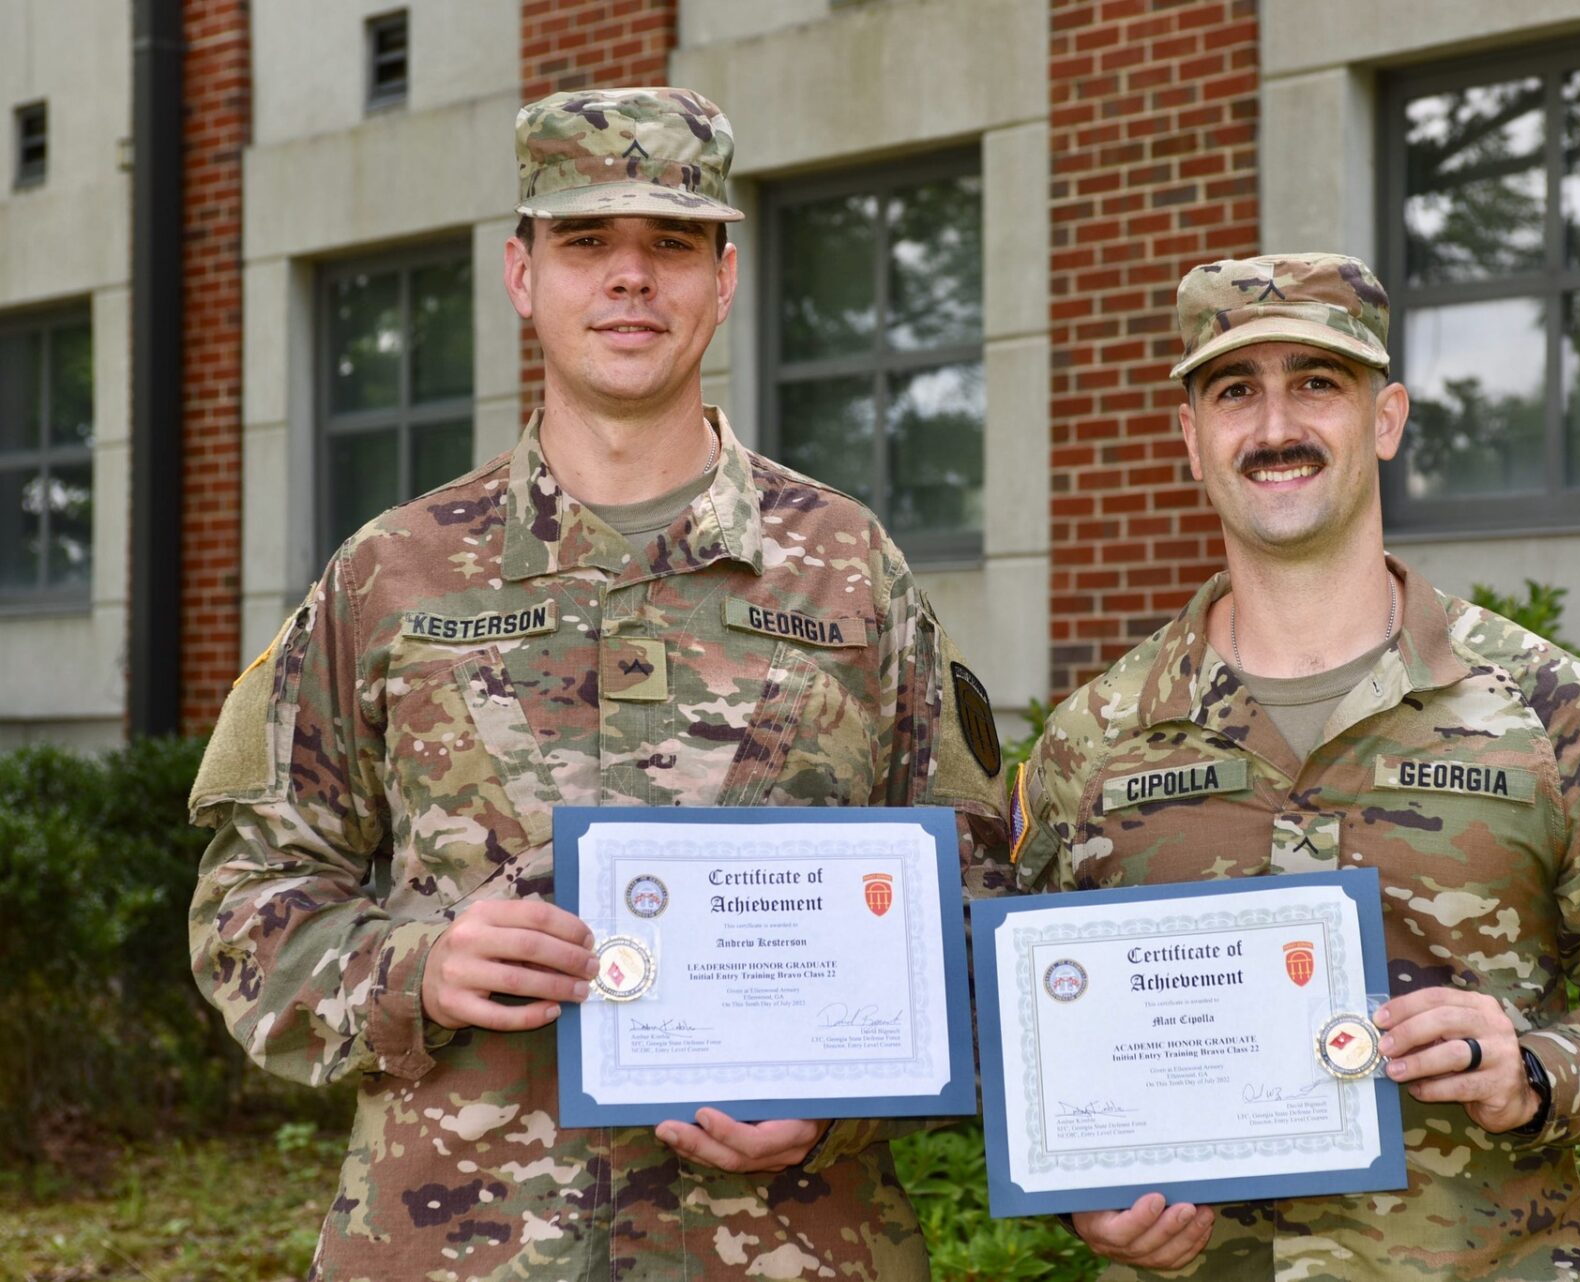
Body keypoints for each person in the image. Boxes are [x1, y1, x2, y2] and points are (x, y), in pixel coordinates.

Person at [187, 86, 1009, 1280]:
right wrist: (418, 969)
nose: (630, 277)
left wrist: (842, 1100)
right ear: (523, 274)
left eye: (671, 242)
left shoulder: (850, 569)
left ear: (723, 279)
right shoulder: (388, 573)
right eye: (586, 241)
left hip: (789, 1246)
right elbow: (246, 907)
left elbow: (973, 904)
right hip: (458, 1248)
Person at [1007, 252, 1580, 1280]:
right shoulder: (1094, 742)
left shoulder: (1553, 714)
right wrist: (1080, 1196)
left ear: (1388, 419)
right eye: (1235, 392)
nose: (1276, 426)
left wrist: (1540, 1068)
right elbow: (1025, 1028)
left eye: (1317, 382)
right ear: (1191, 438)